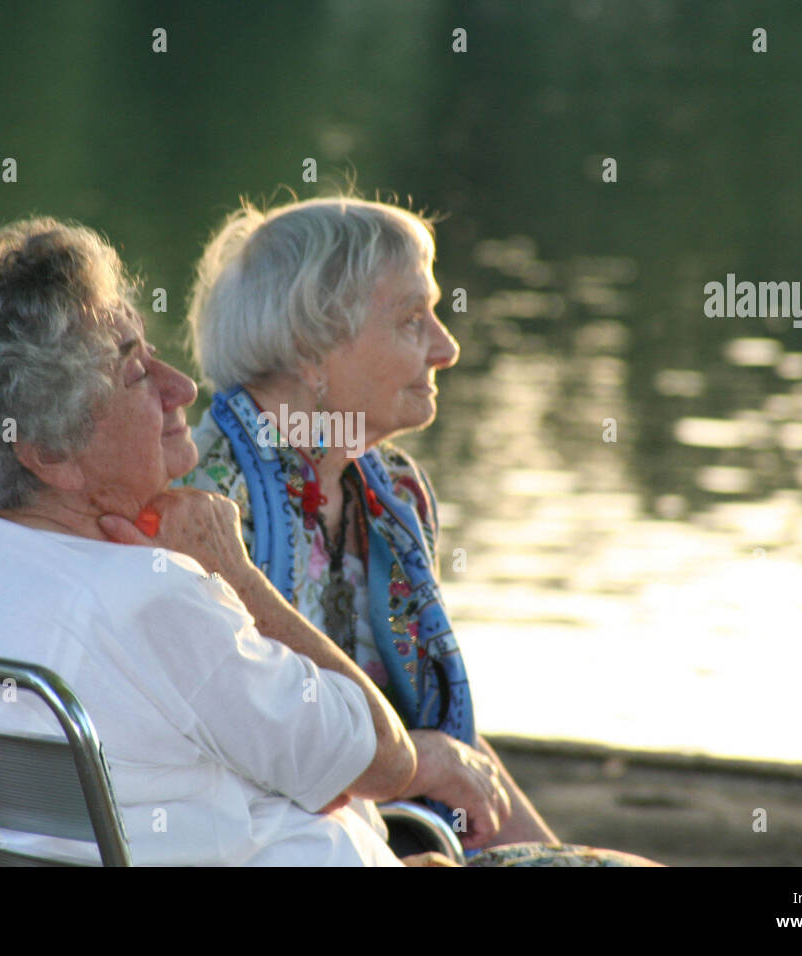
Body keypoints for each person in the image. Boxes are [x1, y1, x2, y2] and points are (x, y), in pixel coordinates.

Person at [0, 216, 430, 866]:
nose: (183, 387)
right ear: (51, 450)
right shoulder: (151, 596)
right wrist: (237, 576)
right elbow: (388, 761)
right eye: (137, 372)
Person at [178, 195, 658, 865]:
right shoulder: (207, 506)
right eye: (411, 320)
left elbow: (443, 735)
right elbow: (237, 742)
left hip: (390, 835)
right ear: (310, 349)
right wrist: (422, 771)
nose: (447, 347)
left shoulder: (390, 492)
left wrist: (555, 854)